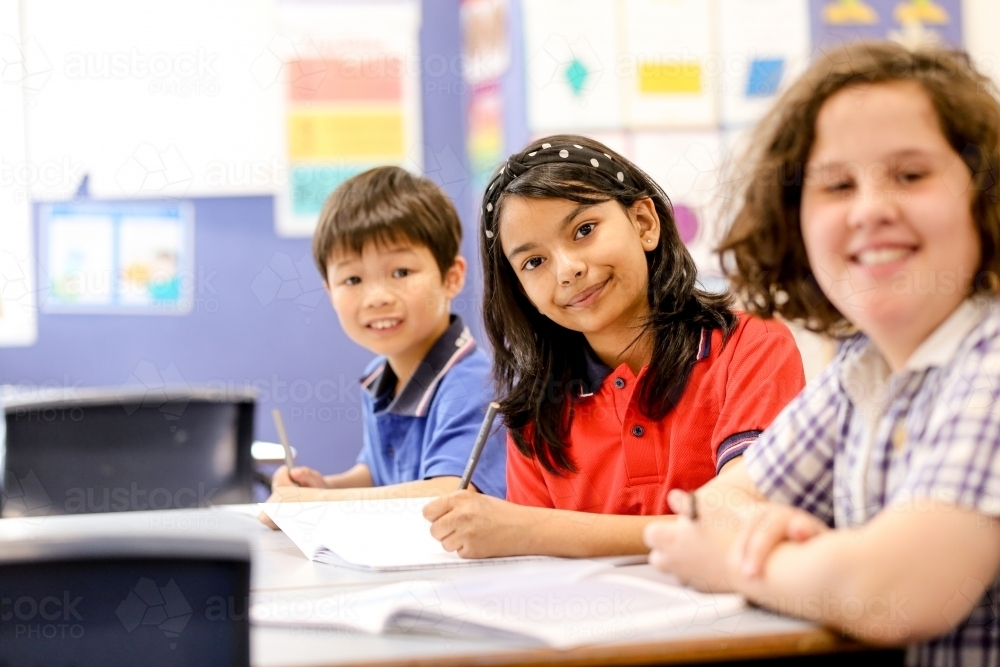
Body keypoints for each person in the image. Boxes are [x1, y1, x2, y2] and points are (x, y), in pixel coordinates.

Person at [643, 42, 1000, 665]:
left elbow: (902, 590)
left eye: (911, 175)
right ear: (794, 223)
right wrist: (791, 550)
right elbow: (715, 505)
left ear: (983, 194)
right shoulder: (861, 371)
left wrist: (741, 560)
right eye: (836, 185)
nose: (870, 210)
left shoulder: (990, 360)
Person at [423, 135, 805, 558]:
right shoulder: (535, 416)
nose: (568, 270)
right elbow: (533, 573)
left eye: (584, 230)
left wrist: (537, 531)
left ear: (644, 223)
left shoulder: (752, 346)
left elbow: (738, 521)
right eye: (534, 262)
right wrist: (530, 533)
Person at [260, 167, 506, 527]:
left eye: (401, 273)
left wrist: (313, 505)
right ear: (330, 292)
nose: (376, 297)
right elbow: (378, 472)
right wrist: (324, 487)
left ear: (451, 277)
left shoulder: (472, 383)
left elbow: (448, 493)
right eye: (353, 279)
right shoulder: (379, 376)